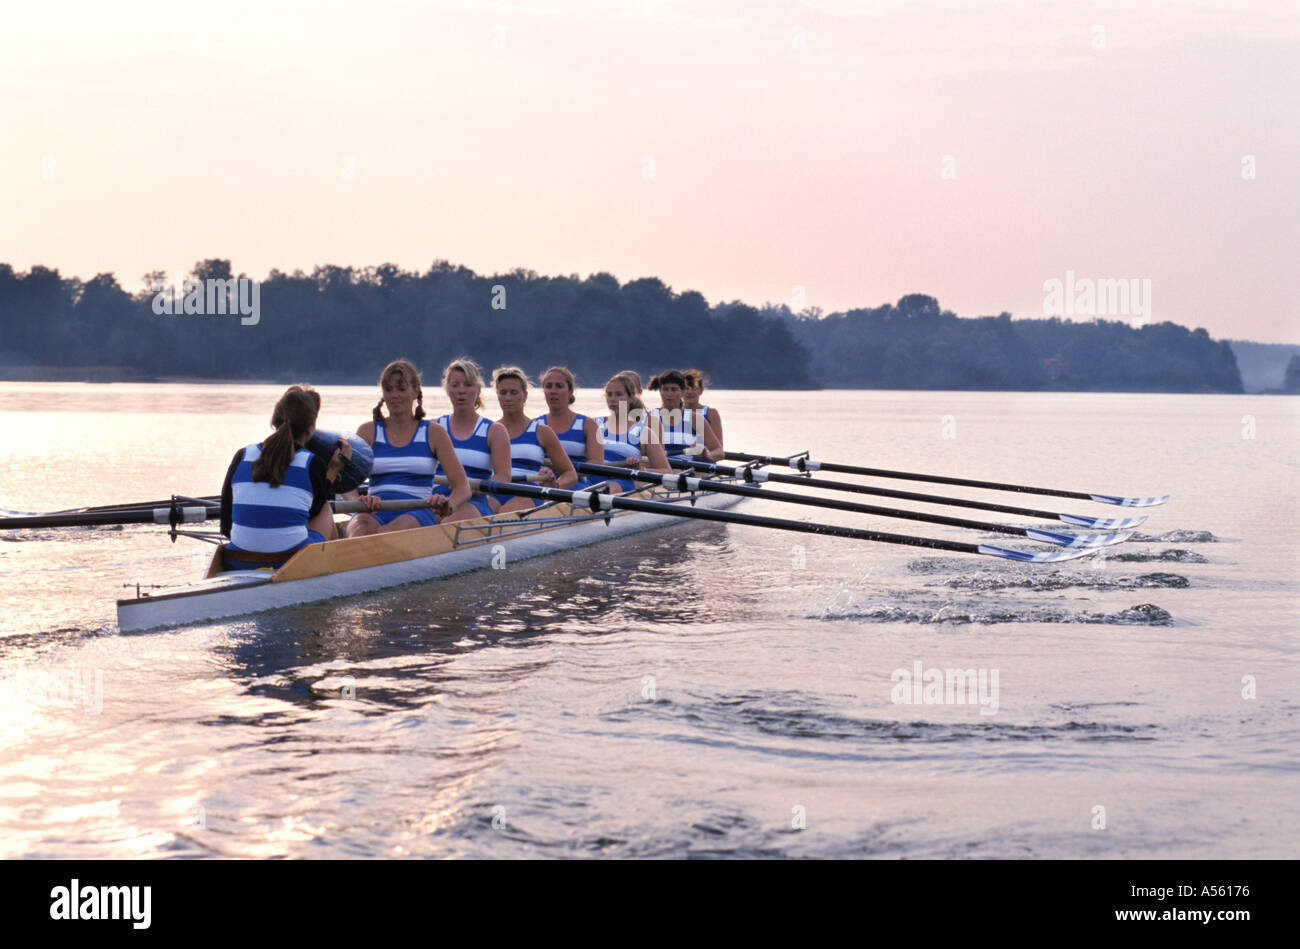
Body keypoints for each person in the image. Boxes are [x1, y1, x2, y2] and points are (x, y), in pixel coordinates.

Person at [219, 385, 345, 569]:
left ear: (274, 420)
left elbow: (225, 526)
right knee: (324, 506)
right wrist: (332, 471)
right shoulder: (312, 463)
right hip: (290, 563)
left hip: (237, 560)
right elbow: (315, 510)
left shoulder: (242, 455)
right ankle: (332, 574)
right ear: (311, 428)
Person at [342, 359, 472, 537]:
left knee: (388, 534)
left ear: (415, 392)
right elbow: (345, 484)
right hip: (374, 511)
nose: (394, 395)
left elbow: (462, 487)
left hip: (418, 511)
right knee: (360, 529)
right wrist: (357, 501)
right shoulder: (368, 431)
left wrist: (447, 507)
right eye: (389, 389)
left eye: (401, 389)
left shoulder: (434, 433)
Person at [431, 357, 515, 521]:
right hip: (435, 500)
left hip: (474, 502)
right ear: (447, 390)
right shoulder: (433, 428)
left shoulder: (495, 431)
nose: (461, 391)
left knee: (448, 522)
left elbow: (503, 476)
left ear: (478, 389)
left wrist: (470, 488)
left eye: (468, 385)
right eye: (455, 385)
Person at [492, 366, 577, 512]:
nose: (508, 398)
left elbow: (570, 474)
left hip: (528, 492)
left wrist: (552, 488)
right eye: (503, 393)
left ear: (524, 395)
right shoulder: (490, 430)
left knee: (505, 514)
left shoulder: (541, 431)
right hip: (495, 491)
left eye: (514, 393)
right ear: (497, 395)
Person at [595, 371, 673, 492]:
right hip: (591, 477)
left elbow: (667, 472)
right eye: (609, 395)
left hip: (619, 482)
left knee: (606, 487)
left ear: (632, 397)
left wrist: (640, 470)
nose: (613, 399)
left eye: (618, 394)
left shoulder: (645, 430)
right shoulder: (593, 424)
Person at [537, 365, 604, 487]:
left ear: (570, 391)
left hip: (575, 485)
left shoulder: (588, 425)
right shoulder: (535, 425)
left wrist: (564, 469)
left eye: (559, 386)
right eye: (548, 386)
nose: (553, 391)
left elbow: (597, 463)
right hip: (541, 482)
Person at [647, 369, 724, 461]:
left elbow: (719, 451)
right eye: (665, 389)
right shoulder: (649, 417)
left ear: (682, 392)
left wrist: (706, 456)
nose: (669, 394)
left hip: (688, 470)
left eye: (674, 389)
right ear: (660, 391)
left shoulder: (695, 419)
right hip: (660, 470)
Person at [682, 368, 723, 452]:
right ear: (680, 390)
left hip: (703, 462)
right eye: (686, 388)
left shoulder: (711, 413)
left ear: (701, 391)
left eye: (694, 388)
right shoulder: (671, 414)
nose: (690, 392)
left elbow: (719, 449)